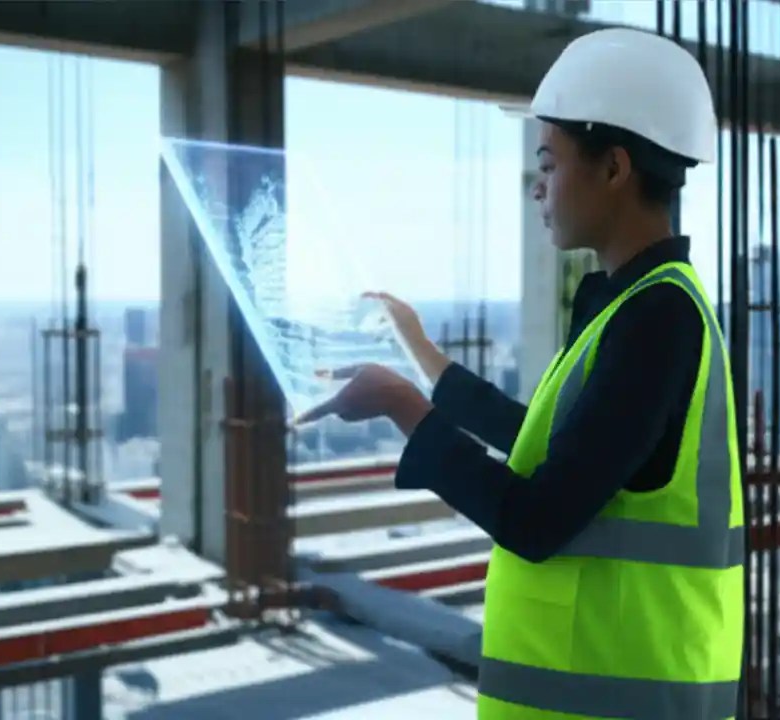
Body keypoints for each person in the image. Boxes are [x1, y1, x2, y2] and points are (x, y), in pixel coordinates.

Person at [299, 27, 745, 720]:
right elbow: (545, 443)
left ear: (614, 168)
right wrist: (422, 355)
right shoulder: (639, 304)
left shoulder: (657, 319)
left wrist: (403, 408)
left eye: (549, 160)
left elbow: (536, 519)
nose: (537, 186)